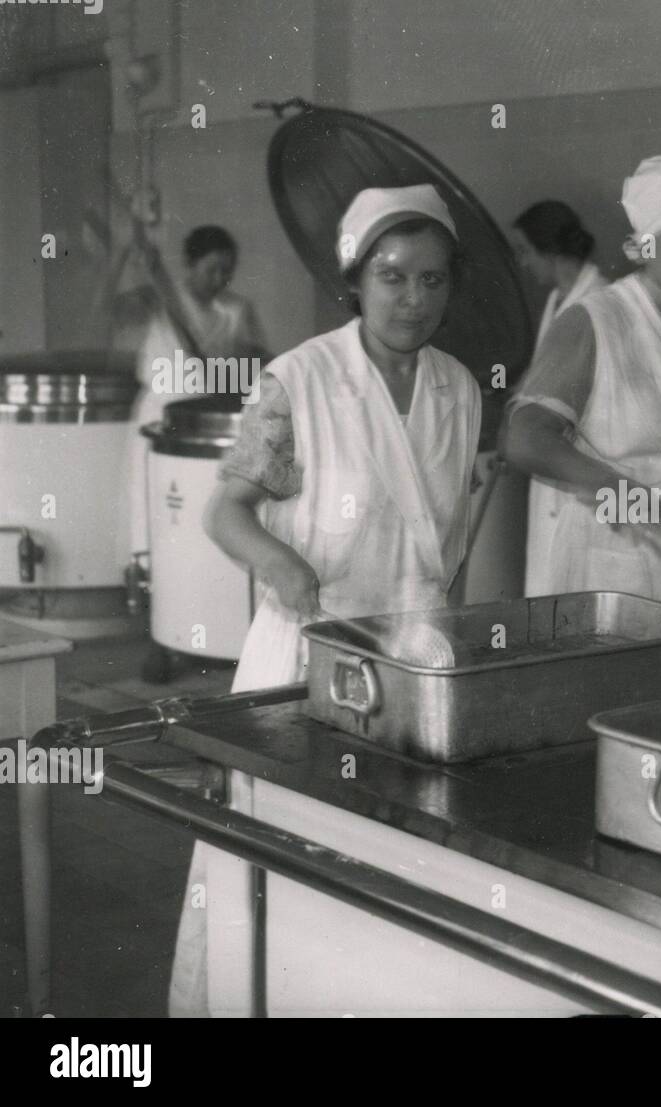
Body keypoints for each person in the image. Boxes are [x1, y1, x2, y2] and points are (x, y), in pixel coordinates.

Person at [168, 184, 480, 1015]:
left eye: (433, 280)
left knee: (386, 889)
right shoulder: (298, 382)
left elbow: (447, 554)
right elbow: (225, 510)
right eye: (393, 276)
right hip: (301, 667)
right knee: (273, 878)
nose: (414, 299)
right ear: (356, 279)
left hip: (410, 671)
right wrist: (280, 561)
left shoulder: (461, 392)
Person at [501, 156, 661, 603]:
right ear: (647, 242)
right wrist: (609, 485)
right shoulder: (597, 321)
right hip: (611, 568)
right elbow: (524, 437)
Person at [125, 225, 268, 559]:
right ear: (190, 264)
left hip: (207, 422)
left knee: (201, 507)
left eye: (226, 271)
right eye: (211, 270)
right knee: (157, 507)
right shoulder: (163, 300)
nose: (219, 279)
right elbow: (116, 310)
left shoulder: (235, 309)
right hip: (161, 414)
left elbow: (255, 358)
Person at [507, 200, 607, 596]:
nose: (523, 263)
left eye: (525, 252)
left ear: (550, 251)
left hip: (581, 474)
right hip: (549, 477)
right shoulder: (557, 301)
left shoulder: (599, 303)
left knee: (573, 602)